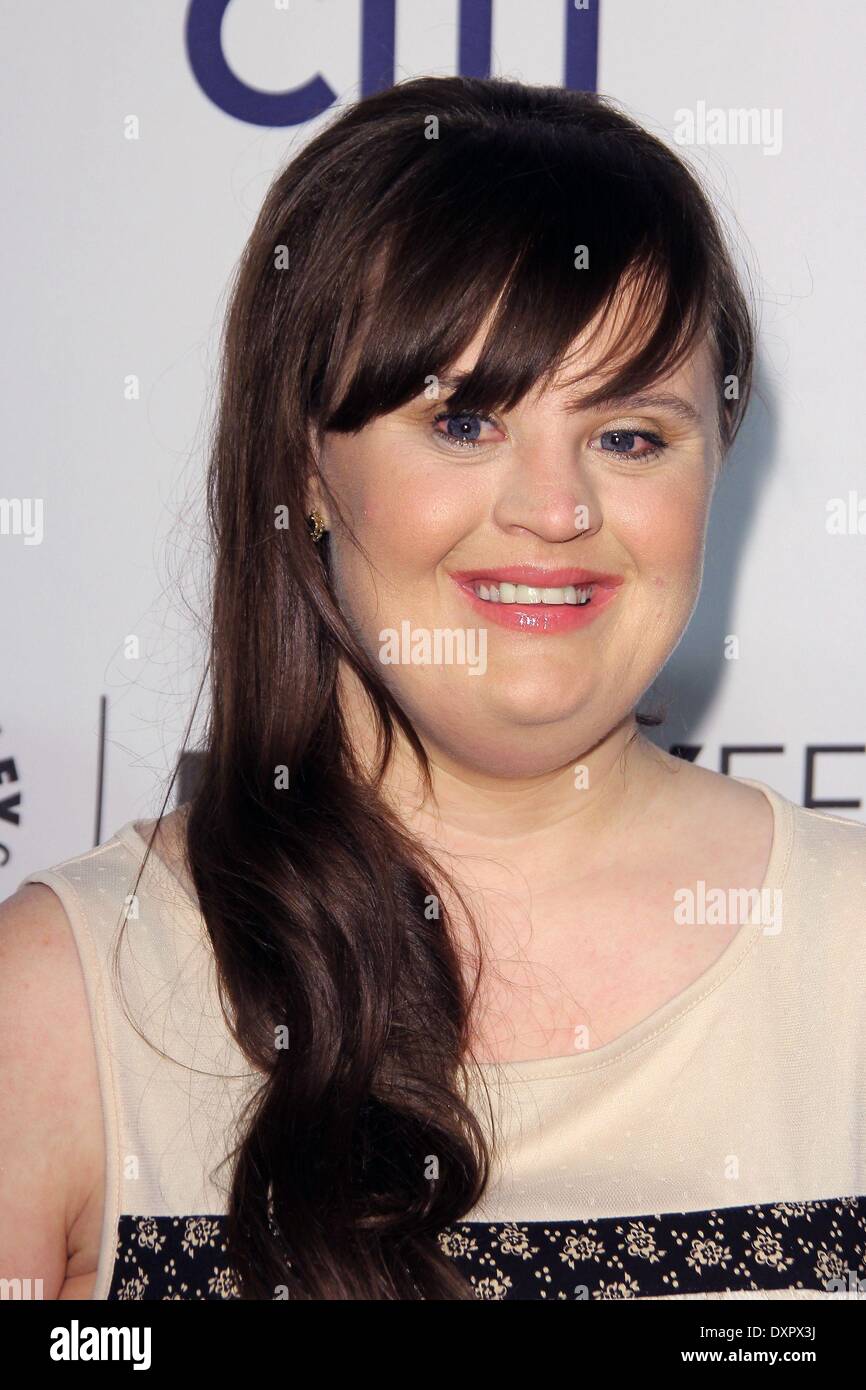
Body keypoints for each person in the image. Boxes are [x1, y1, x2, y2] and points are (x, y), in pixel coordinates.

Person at [2, 74, 864, 1303]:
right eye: (463, 422)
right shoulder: (60, 1009)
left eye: (628, 437)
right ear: (305, 463)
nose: (555, 511)